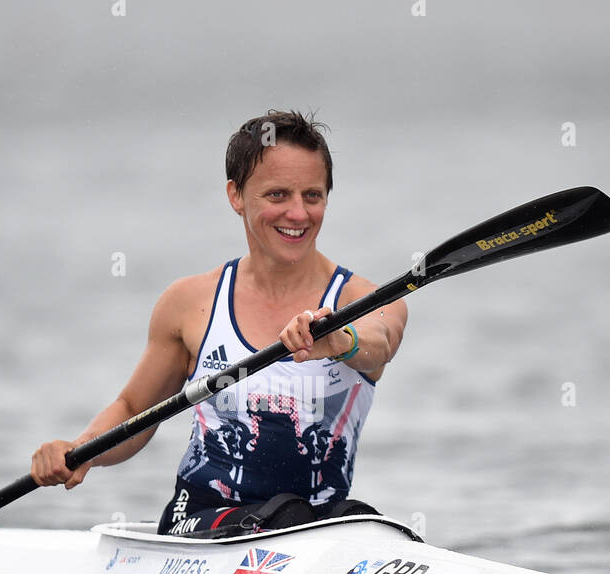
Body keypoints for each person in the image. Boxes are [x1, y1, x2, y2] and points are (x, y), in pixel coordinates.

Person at [31, 110, 408, 536]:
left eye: (313, 196)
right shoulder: (189, 302)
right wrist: (80, 450)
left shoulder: (365, 302)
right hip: (202, 524)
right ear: (236, 195)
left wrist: (342, 340)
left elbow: (381, 342)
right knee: (292, 517)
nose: (299, 214)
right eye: (278, 195)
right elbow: (135, 410)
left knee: (366, 521)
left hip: (316, 529)